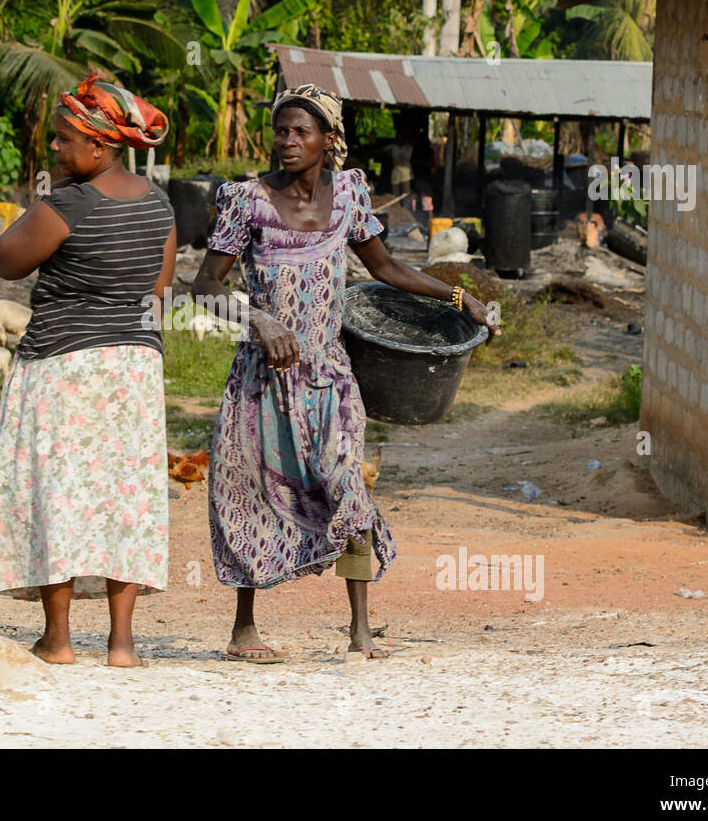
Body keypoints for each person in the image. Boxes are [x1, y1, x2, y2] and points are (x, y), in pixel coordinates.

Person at [192, 83, 499, 661]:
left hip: (328, 377)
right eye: (280, 130)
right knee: (249, 489)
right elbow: (204, 286)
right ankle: (244, 628)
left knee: (347, 485)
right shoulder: (245, 200)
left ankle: (360, 631)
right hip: (262, 378)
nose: (287, 141)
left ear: (327, 140)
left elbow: (386, 268)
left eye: (299, 132)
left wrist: (462, 300)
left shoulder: (350, 196)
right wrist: (257, 318)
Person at [0, 71, 175, 668]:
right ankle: (122, 644)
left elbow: (8, 261)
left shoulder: (67, 203)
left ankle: (59, 639)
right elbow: (160, 293)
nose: (56, 149)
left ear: (100, 146)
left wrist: (38, 209)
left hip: (64, 367)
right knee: (128, 498)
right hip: (134, 372)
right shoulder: (159, 203)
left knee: (58, 494)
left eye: (66, 141)